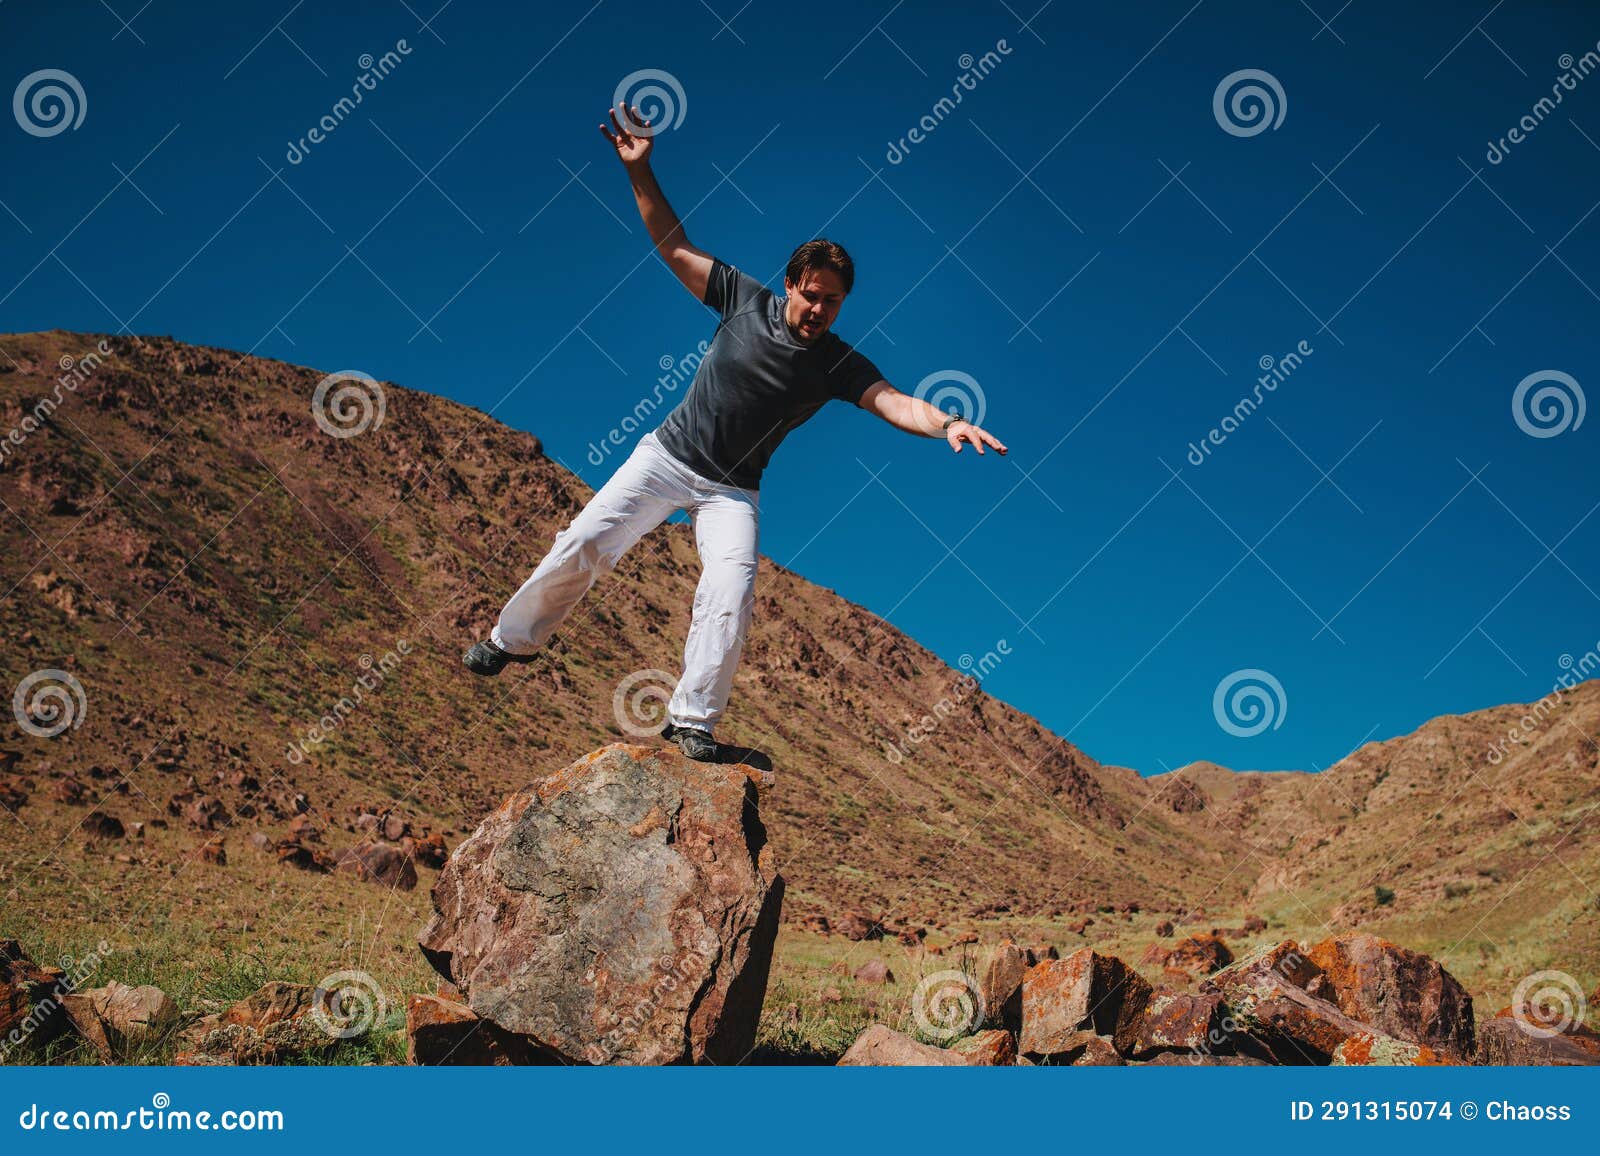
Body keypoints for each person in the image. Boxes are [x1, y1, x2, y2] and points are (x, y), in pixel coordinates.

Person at [463, 103, 1008, 762]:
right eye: (811, 294)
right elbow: (674, 245)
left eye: (832, 301)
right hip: (667, 458)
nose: (819, 308)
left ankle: (692, 720)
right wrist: (640, 171)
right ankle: (510, 640)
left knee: (730, 589)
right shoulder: (743, 300)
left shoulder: (839, 364)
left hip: (733, 491)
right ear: (790, 285)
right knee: (584, 541)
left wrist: (948, 422)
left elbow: (893, 402)